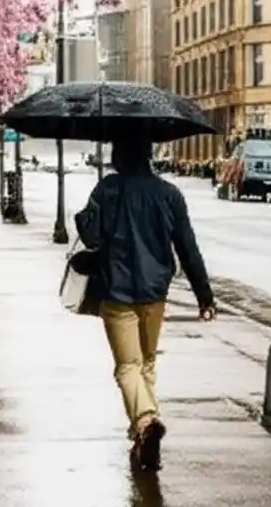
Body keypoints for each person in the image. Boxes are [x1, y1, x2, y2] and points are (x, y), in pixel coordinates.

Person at [74, 134, 217, 472]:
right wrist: (204, 296)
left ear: (118, 155)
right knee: (146, 363)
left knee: (127, 366)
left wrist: (88, 215)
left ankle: (145, 421)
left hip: (117, 291)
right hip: (155, 292)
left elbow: (90, 237)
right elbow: (187, 247)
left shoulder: (107, 190)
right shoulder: (169, 194)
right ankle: (143, 434)